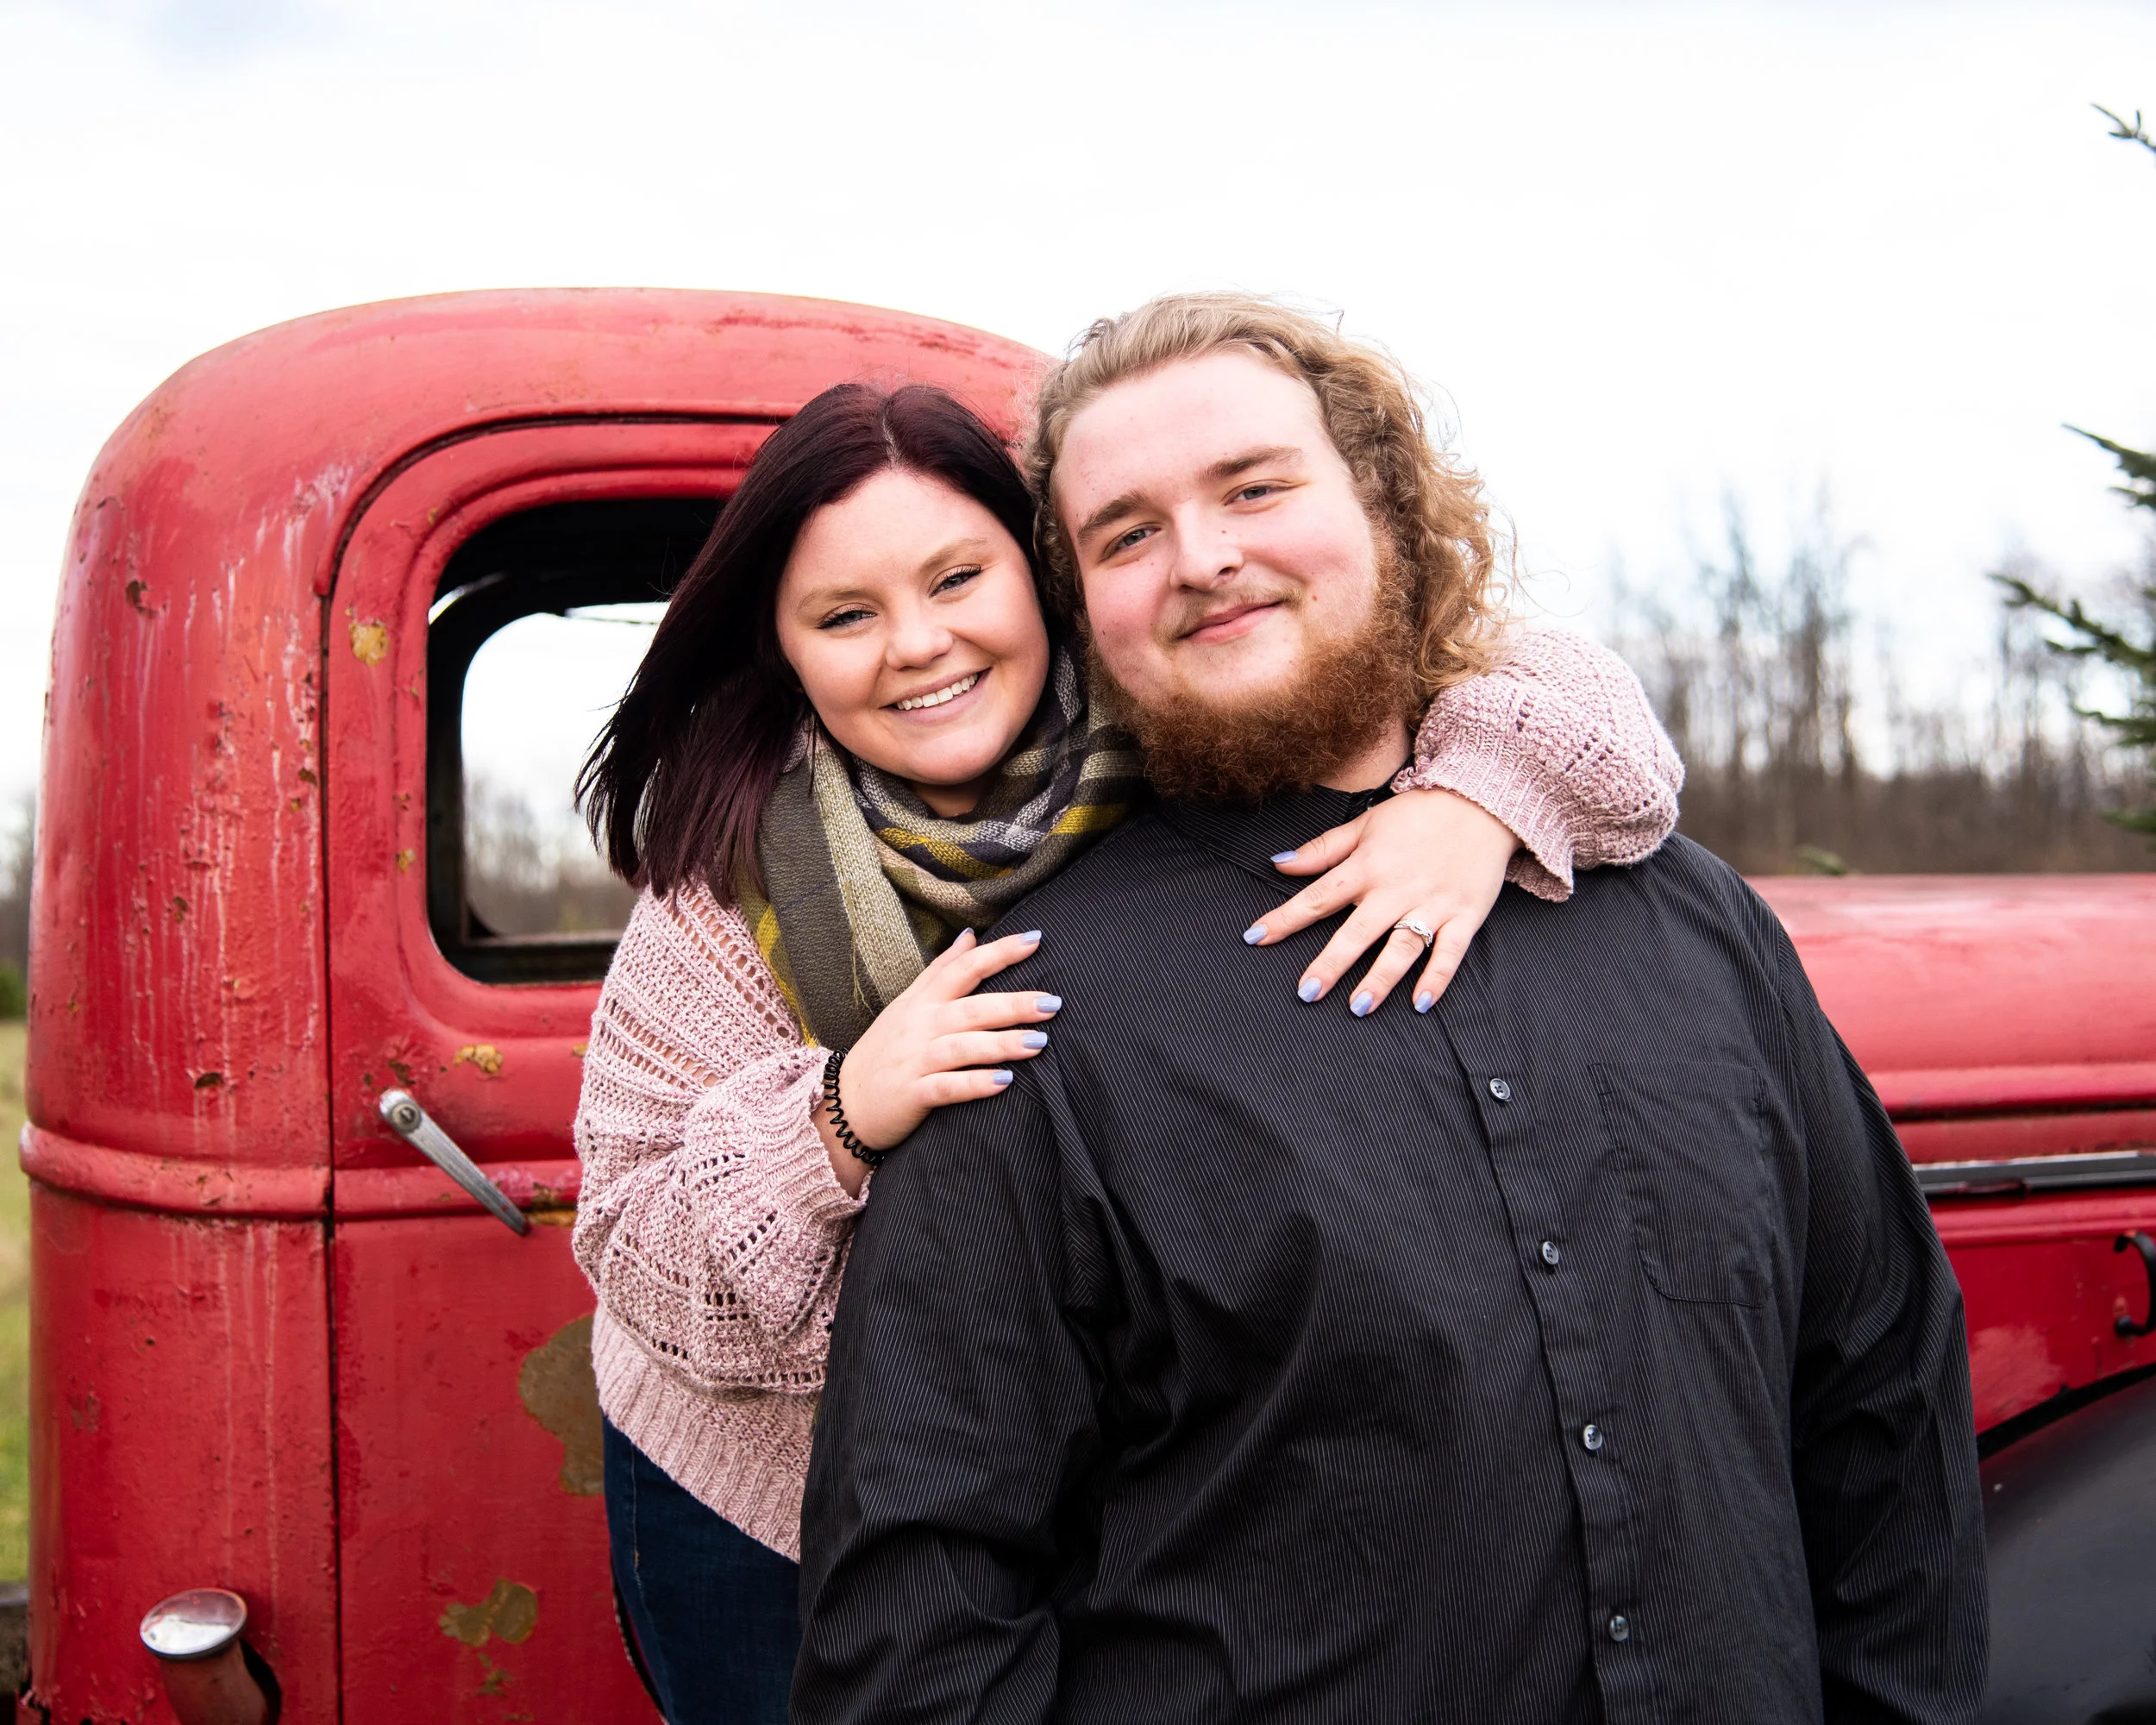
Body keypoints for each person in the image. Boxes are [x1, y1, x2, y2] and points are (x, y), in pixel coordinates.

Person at [793, 295, 1987, 1724]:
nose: (1204, 557)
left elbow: (1881, 1394)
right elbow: (921, 1629)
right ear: (1081, 608)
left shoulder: (1695, 923)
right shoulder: (1024, 1018)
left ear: (1389, 507)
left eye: (1255, 487)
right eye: (1127, 532)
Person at [572, 376, 1683, 1724]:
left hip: (1086, 1445)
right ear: (786, 650)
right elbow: (635, 1253)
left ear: (1040, 577)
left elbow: (1563, 687)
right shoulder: (723, 884)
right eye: (846, 617)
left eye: (957, 578)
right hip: (761, 1488)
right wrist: (839, 1118)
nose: (917, 645)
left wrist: (1470, 798)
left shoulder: (1177, 718)